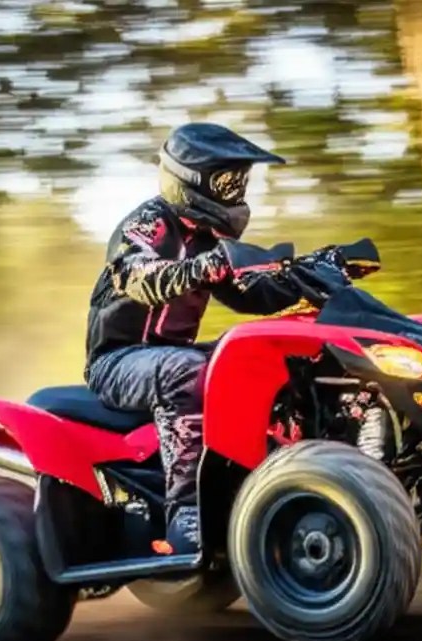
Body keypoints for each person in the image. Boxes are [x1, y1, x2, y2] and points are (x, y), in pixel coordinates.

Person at [83, 122, 338, 556]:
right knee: (188, 371)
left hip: (169, 355)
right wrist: (204, 268)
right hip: (118, 362)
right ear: (189, 180)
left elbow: (253, 295)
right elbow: (138, 278)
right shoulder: (150, 224)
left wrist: (319, 272)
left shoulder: (205, 239)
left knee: (261, 353)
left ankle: (290, 476)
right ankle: (187, 516)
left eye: (240, 180)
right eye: (226, 180)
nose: (236, 190)